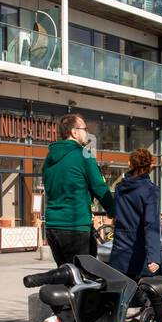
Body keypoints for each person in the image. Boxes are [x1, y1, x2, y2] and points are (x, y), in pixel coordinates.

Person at [43, 113, 114, 266]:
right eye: (84, 129)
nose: (87, 133)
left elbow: (49, 188)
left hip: (53, 226)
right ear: (74, 132)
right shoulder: (83, 154)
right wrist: (114, 211)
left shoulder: (49, 158)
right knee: (85, 277)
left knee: (66, 274)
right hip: (75, 225)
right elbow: (99, 187)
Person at [109, 148, 162, 278]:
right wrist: (154, 257)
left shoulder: (120, 188)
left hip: (119, 253)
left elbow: (116, 217)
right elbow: (151, 224)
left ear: (130, 165)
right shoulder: (150, 190)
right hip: (140, 254)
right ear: (150, 165)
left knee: (123, 295)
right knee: (149, 295)